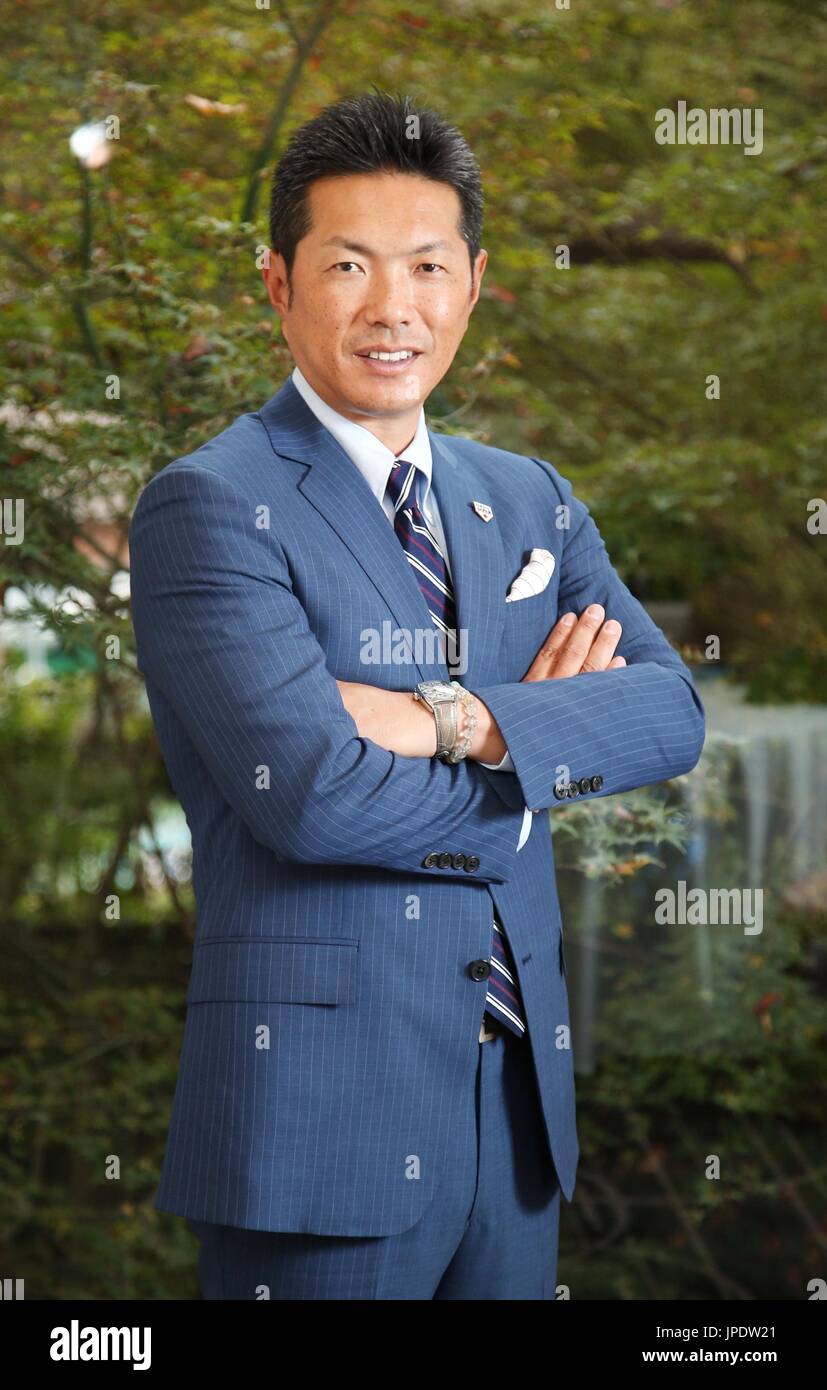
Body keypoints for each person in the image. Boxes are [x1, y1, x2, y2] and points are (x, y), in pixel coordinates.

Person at [128, 90, 705, 1300]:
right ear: (279, 285)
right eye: (347, 265)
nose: (392, 308)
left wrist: (458, 719)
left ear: (473, 283)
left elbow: (669, 713)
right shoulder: (214, 504)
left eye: (426, 267)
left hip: (514, 1115)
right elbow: (315, 801)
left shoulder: (528, 497)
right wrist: (535, 769)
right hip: (319, 1120)